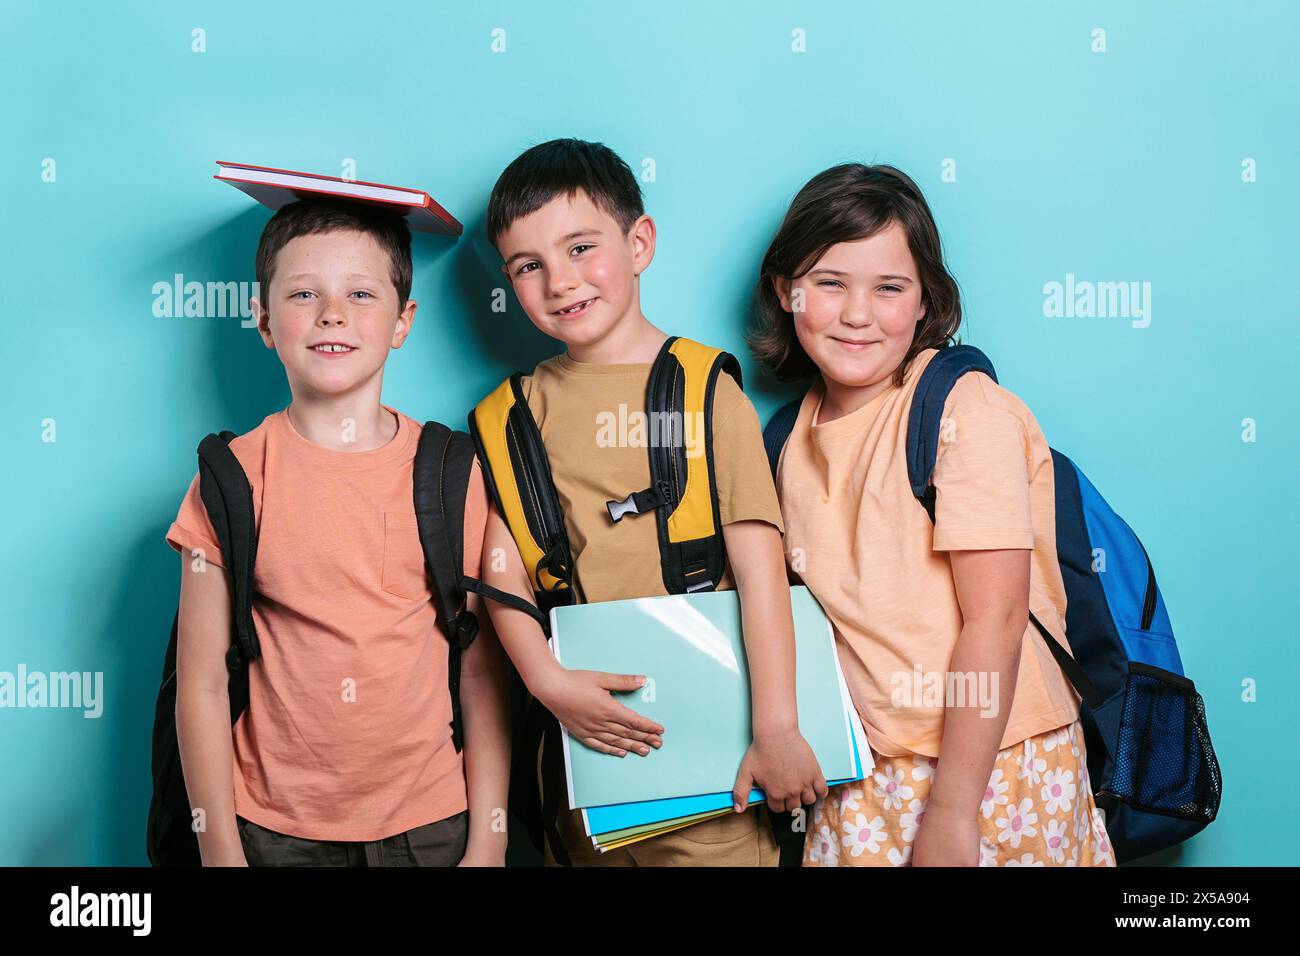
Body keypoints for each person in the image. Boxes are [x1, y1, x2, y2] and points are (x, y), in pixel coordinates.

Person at [751, 163, 1115, 867]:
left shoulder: (962, 409)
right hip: (863, 775)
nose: (858, 314)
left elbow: (997, 619)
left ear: (924, 303)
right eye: (830, 284)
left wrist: (952, 811)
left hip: (994, 769)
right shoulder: (781, 440)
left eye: (890, 288)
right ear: (785, 290)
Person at [476, 138, 827, 866]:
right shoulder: (507, 416)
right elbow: (499, 571)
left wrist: (779, 729)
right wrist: (546, 681)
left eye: (580, 248)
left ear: (639, 243)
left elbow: (762, 573)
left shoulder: (705, 394)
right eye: (528, 266)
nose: (559, 281)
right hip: (578, 769)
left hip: (712, 768)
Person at [166, 198, 512, 866]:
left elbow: (481, 667)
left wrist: (490, 841)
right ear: (264, 320)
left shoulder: (450, 471)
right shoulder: (231, 480)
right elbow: (202, 684)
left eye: (360, 292)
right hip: (271, 832)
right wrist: (220, 854)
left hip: (432, 827)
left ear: (402, 321)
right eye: (303, 293)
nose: (332, 313)